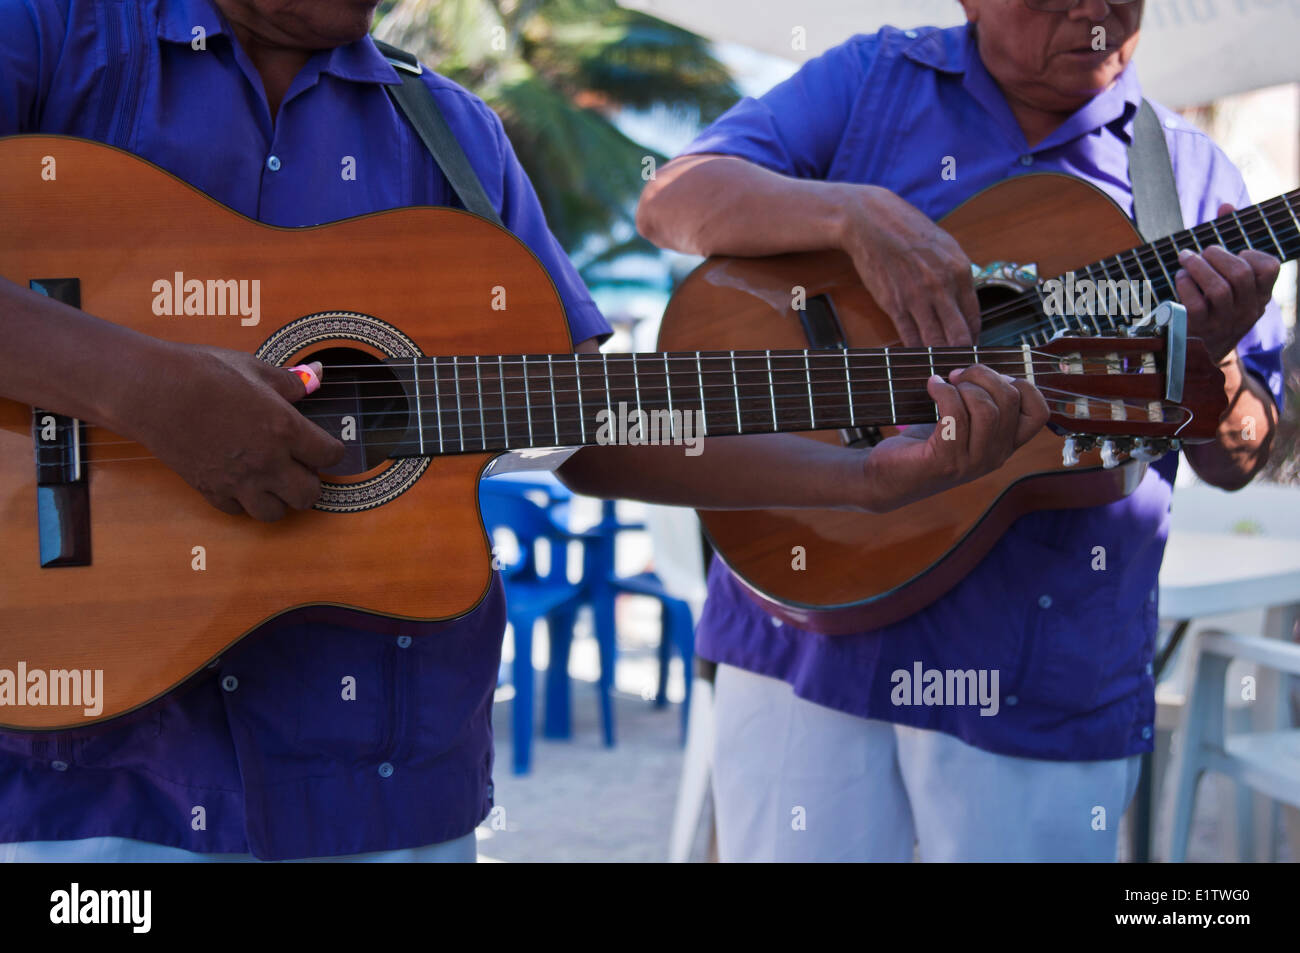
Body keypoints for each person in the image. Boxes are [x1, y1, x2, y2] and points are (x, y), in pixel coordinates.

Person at [0, 0, 1044, 861]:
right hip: (91, 803)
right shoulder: (48, 37)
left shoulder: (454, 137)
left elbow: (588, 419)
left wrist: (859, 479)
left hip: (387, 794)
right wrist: (142, 390)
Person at [635, 0, 1285, 861]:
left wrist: (1218, 367)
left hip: (1038, 675)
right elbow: (671, 200)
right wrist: (849, 217)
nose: (1093, 9)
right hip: (806, 627)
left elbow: (1243, 454)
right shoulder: (873, 79)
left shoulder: (1196, 181)